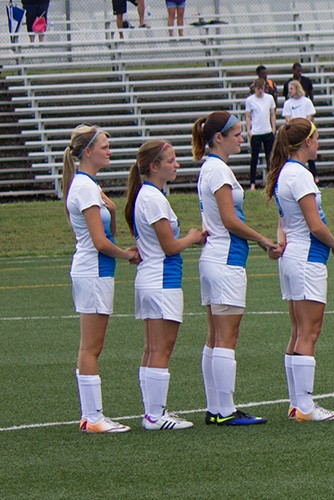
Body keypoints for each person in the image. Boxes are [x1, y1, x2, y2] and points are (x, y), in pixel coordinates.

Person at [266, 117, 334, 422]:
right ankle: (304, 406)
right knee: (309, 331)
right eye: (315, 139)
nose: (318, 144)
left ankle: (297, 403)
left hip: (295, 257)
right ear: (307, 142)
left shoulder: (285, 173)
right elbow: (315, 225)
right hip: (306, 257)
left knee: (298, 331)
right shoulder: (300, 175)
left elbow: (284, 222)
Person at [193, 110, 278, 426]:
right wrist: (262, 239)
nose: (243, 137)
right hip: (225, 259)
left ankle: (216, 408)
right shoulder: (218, 170)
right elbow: (229, 220)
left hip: (216, 258)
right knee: (226, 337)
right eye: (237, 134)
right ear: (219, 138)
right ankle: (224, 410)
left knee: (215, 337)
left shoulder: (211, 168)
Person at [62, 124, 139, 433]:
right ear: (88, 152)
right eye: (104, 146)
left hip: (98, 271)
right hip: (92, 271)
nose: (109, 151)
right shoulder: (84, 187)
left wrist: (112, 210)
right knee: (91, 347)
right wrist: (127, 254)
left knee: (92, 345)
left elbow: (106, 233)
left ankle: (91, 416)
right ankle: (93, 417)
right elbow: (99, 242)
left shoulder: (89, 186)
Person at [124, 140, 206, 430]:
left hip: (152, 278)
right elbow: (169, 246)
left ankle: (152, 412)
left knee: (152, 348)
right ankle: (155, 415)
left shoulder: (148, 195)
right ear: (153, 167)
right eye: (170, 161)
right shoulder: (152, 198)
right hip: (161, 279)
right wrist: (193, 237)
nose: (176, 164)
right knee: (161, 349)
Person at [281, 80, 317, 179]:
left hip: (305, 131)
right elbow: (287, 118)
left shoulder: (306, 101)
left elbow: (310, 115)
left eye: (291, 89)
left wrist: (304, 127)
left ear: (297, 88)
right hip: (294, 132)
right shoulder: (288, 103)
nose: (290, 91)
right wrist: (295, 128)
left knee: (309, 151)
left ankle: (314, 175)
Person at [245, 78, 276, 190]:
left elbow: (272, 113)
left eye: (262, 88)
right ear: (255, 88)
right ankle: (252, 183)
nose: (260, 91)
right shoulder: (250, 100)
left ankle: (272, 181)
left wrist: (273, 128)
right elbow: (248, 116)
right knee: (254, 158)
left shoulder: (269, 98)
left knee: (270, 158)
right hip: (256, 132)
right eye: (258, 89)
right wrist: (249, 130)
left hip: (267, 131)